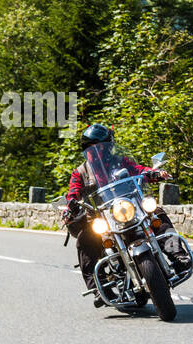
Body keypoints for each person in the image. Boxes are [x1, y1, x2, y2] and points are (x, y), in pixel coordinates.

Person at [63, 124, 177, 307]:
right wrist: (70, 204)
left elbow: (138, 170)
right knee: (84, 240)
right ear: (87, 150)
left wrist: (154, 173)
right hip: (102, 215)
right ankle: (97, 288)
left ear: (108, 146)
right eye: (94, 147)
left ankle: (178, 254)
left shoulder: (120, 162)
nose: (99, 150)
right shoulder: (80, 172)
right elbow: (73, 192)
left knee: (156, 215)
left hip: (128, 206)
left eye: (102, 146)